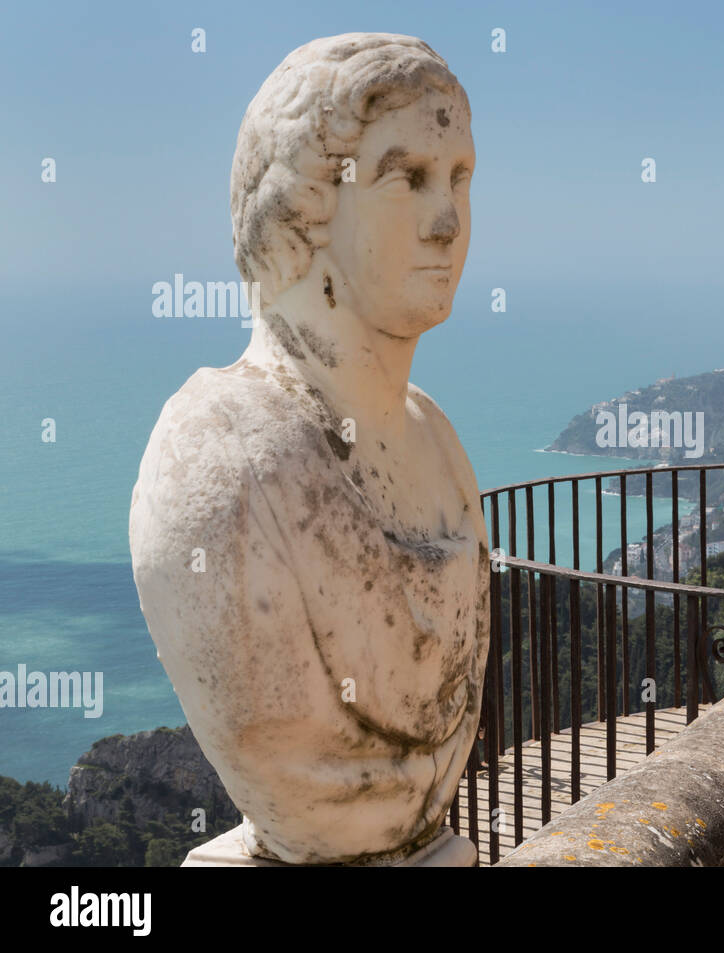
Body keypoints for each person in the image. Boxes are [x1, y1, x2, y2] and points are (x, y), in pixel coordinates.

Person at [129, 34, 488, 865]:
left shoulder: (438, 443)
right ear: (308, 202)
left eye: (460, 179)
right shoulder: (218, 464)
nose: (448, 222)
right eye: (409, 177)